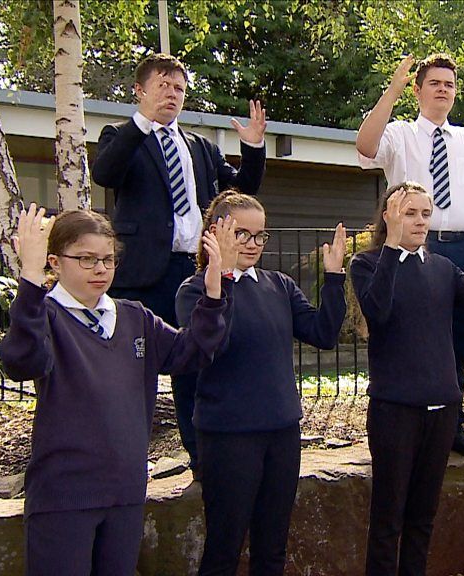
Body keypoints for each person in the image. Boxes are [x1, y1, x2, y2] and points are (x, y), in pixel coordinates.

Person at [0, 204, 233, 575]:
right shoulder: (45, 315)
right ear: (55, 263)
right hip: (65, 497)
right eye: (86, 259)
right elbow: (21, 362)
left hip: (125, 492)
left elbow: (191, 352)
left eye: (108, 259)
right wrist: (28, 280)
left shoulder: (133, 317)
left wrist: (215, 293)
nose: (100, 269)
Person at [91, 52, 267, 476]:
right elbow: (106, 174)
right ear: (140, 90)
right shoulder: (120, 135)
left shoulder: (200, 147)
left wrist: (254, 145)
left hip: (190, 271)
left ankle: (200, 457)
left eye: (179, 88)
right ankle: (125, 461)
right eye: (163, 86)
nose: (172, 94)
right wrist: (141, 123)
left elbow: (243, 188)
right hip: (141, 275)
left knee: (194, 365)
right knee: (135, 371)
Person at [356, 53, 464, 458]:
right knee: (402, 333)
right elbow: (365, 145)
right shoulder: (399, 135)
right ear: (418, 90)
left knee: (458, 338)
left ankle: (452, 425)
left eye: (449, 84)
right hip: (413, 245)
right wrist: (392, 90)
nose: (443, 90)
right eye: (434, 83)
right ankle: (397, 421)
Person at [350, 182, 464, 576]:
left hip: (442, 410)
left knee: (422, 519)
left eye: (425, 214)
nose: (420, 222)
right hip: (395, 410)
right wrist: (393, 245)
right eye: (410, 213)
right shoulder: (368, 264)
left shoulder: (443, 268)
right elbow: (377, 312)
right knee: (388, 521)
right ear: (389, 216)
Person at [175, 192, 347, 576]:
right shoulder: (196, 290)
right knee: (224, 547)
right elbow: (216, 344)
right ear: (215, 232)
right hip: (228, 435)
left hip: (282, 432)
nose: (252, 244)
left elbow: (323, 333)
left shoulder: (279, 285)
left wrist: (334, 277)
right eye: (242, 234)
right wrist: (222, 277)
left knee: (272, 548)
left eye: (260, 236)